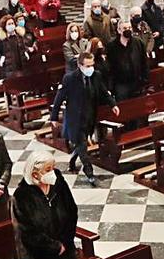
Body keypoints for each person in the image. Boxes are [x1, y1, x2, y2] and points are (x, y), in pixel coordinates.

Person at [49, 52, 119, 187]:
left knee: (81, 145)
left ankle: (72, 162)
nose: (90, 68)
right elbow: (59, 97)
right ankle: (90, 173)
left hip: (90, 116)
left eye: (92, 65)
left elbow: (104, 92)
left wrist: (113, 105)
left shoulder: (96, 76)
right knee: (82, 144)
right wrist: (54, 116)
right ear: (80, 66)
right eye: (87, 66)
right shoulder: (69, 78)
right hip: (75, 119)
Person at [12, 150, 78, 259]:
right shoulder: (21, 196)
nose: (53, 172)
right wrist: (55, 247)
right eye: (48, 169)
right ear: (35, 174)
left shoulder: (58, 181)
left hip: (66, 251)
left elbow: (72, 211)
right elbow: (27, 233)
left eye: (53, 167)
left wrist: (65, 242)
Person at [106, 18, 148, 103]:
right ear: (119, 30)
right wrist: (111, 86)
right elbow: (110, 67)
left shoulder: (138, 43)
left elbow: (144, 63)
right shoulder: (111, 46)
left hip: (137, 81)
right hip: (121, 84)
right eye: (125, 28)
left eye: (129, 28)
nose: (128, 30)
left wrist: (144, 80)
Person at [0, 14, 30, 80]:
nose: (11, 25)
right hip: (9, 69)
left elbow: (24, 47)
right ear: (4, 26)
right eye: (9, 24)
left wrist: (26, 52)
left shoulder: (20, 36)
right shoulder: (2, 39)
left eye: (12, 23)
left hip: (22, 67)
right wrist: (2, 58)